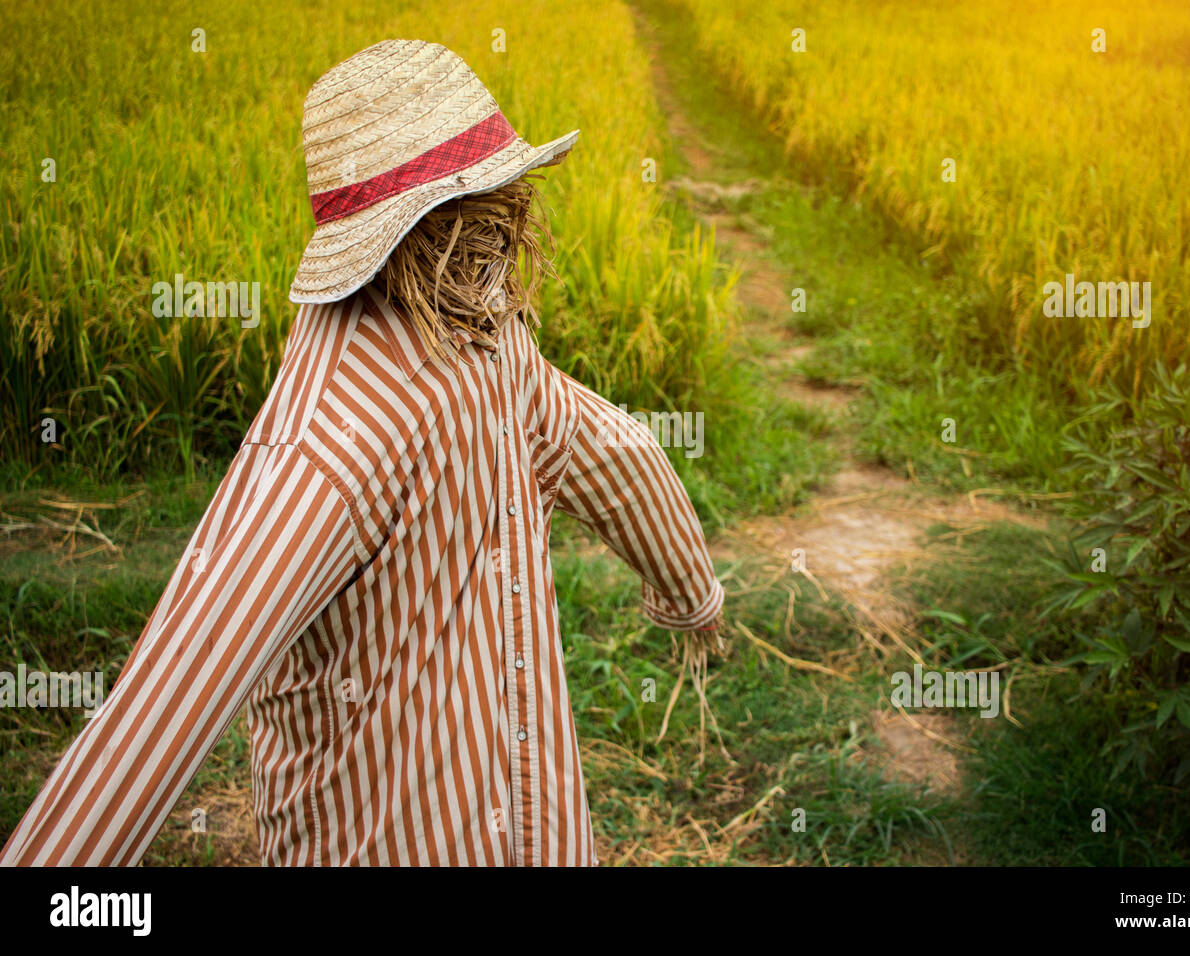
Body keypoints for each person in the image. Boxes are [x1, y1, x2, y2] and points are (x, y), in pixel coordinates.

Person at [1, 39, 723, 867]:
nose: (504, 226)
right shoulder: (336, 441)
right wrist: (692, 598)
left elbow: (605, 446)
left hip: (531, 823)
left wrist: (690, 592)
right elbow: (168, 704)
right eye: (481, 207)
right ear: (452, 221)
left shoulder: (490, 342)